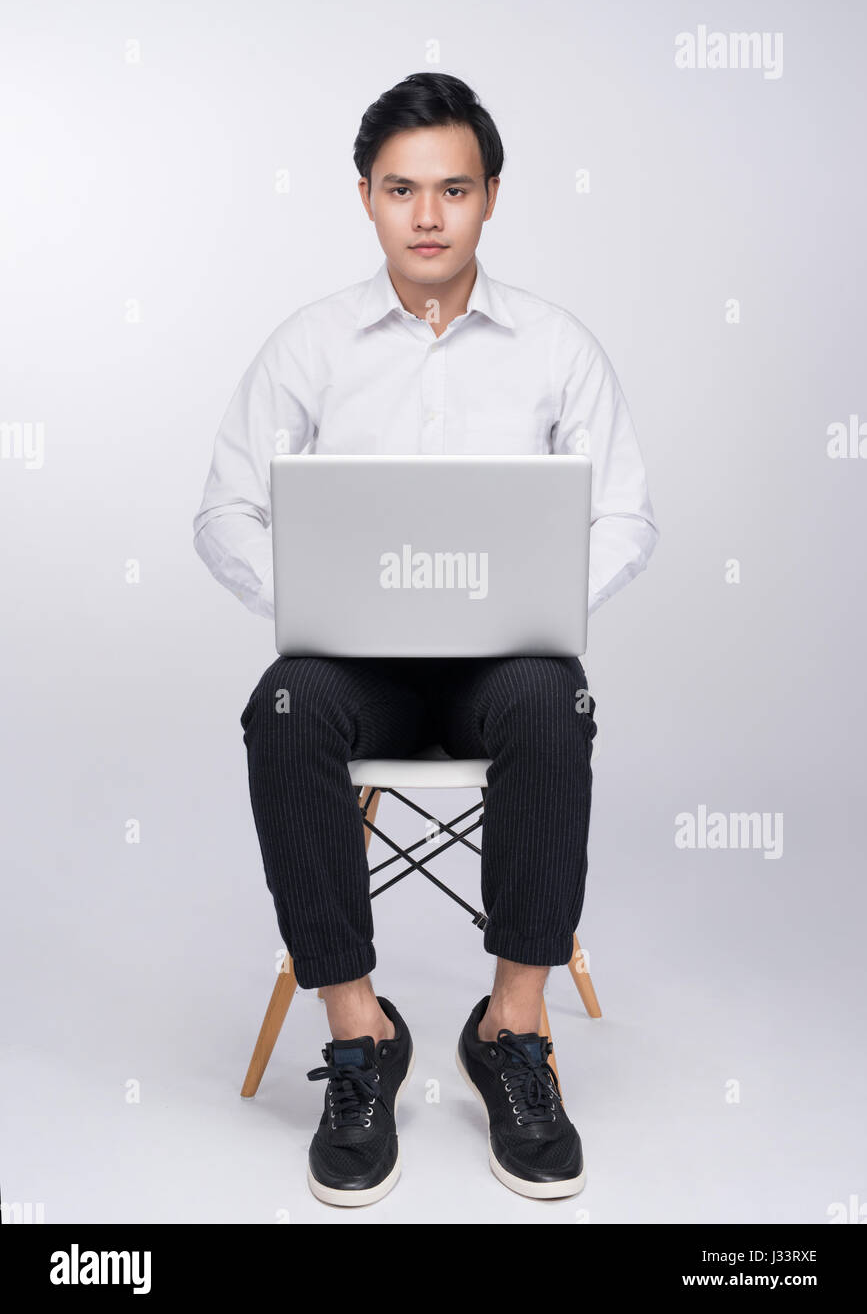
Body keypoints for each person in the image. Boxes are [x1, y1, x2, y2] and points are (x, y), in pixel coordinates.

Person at [192, 72, 659, 1207]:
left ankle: (511, 1031)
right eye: (402, 189)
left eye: (454, 188)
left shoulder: (555, 347)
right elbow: (221, 513)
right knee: (286, 699)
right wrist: (313, 596)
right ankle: (362, 1039)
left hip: (506, 669)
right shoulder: (310, 345)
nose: (429, 215)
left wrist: (543, 598)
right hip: (358, 670)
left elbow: (630, 515)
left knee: (556, 697)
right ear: (367, 198)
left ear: (492, 196)